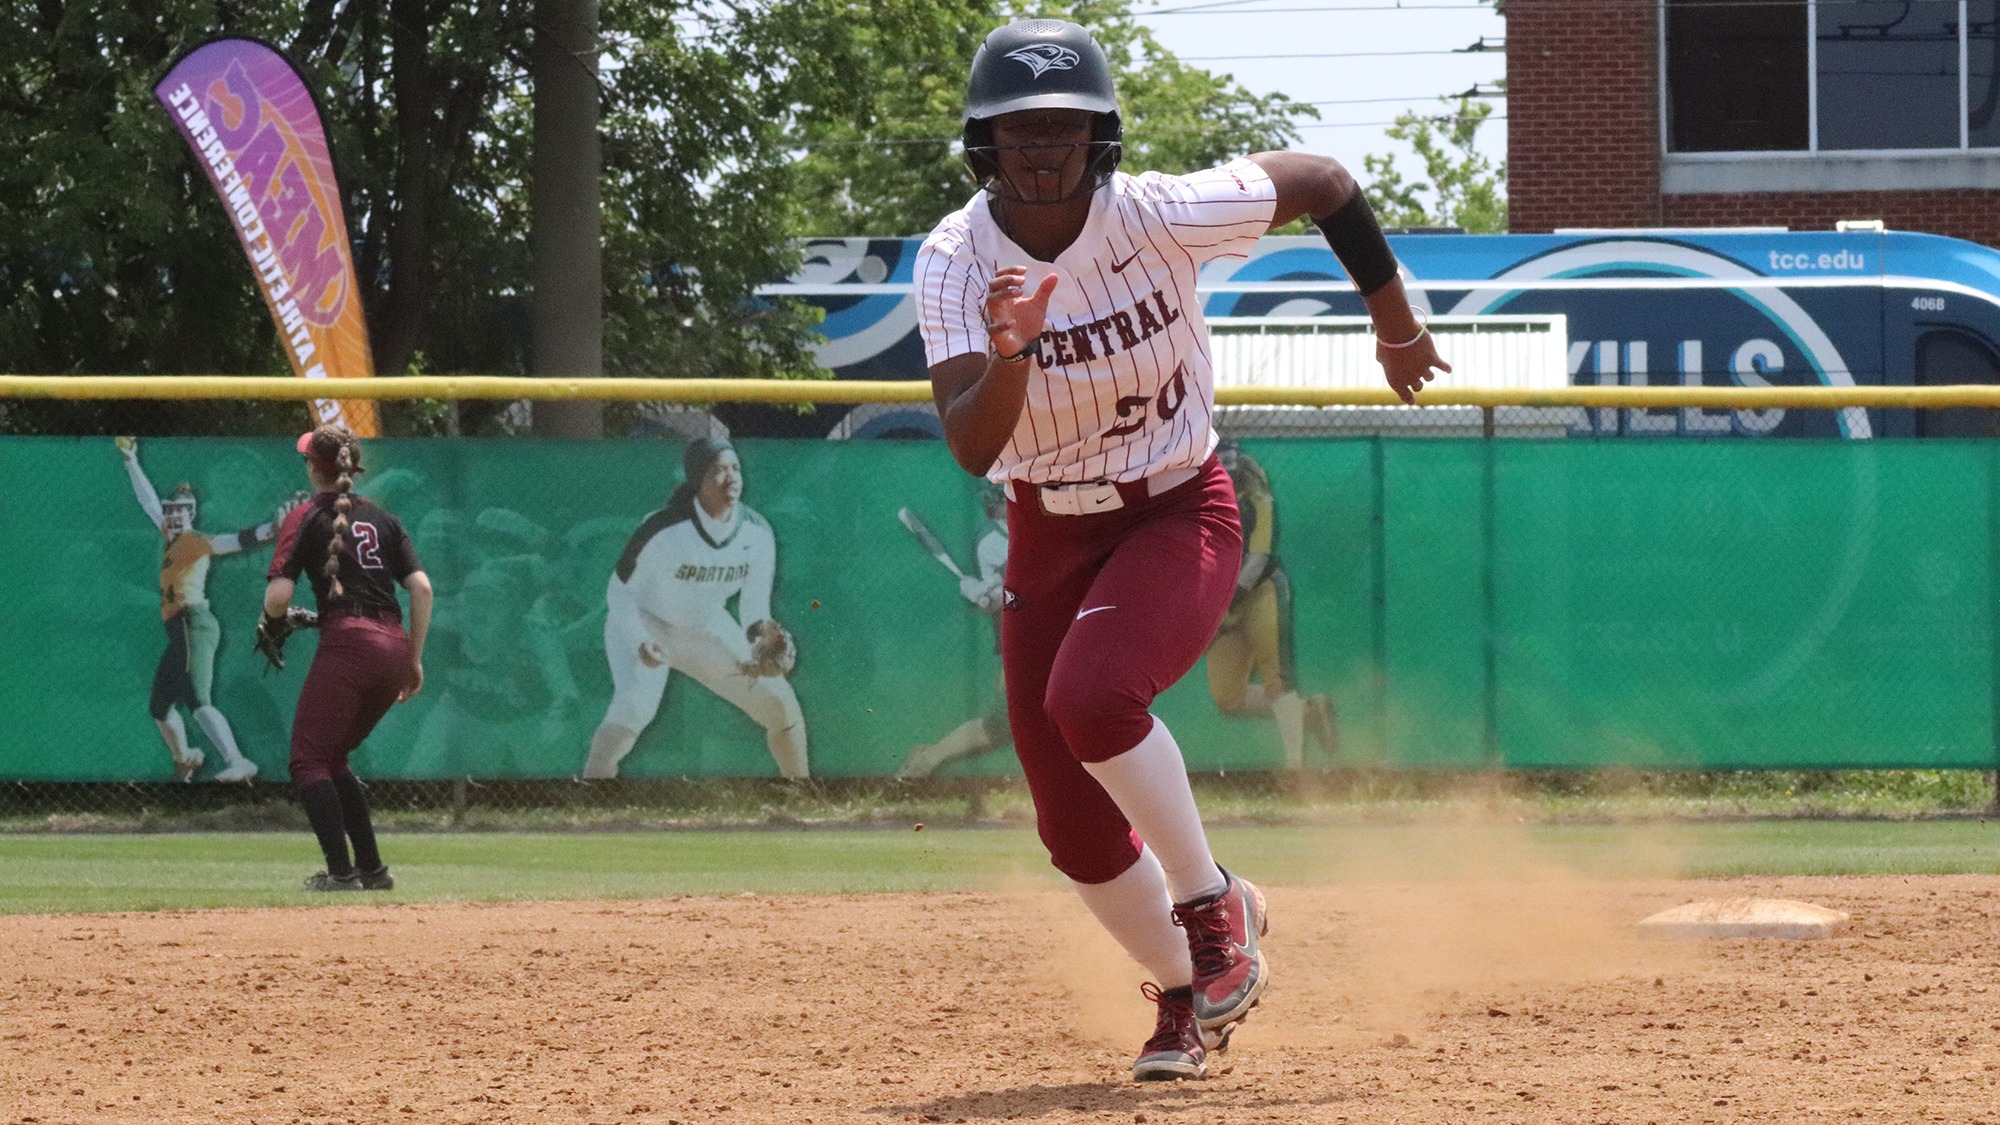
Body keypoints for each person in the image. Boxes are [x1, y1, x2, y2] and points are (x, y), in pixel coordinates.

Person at [914, 18, 1449, 1082]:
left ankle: (1208, 907)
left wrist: (1393, 321)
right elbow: (973, 441)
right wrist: (1013, 349)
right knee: (1068, 822)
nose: (1041, 145)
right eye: (1015, 127)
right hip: (1044, 525)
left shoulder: (1158, 214)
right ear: (983, 142)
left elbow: (1326, 181)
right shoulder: (952, 259)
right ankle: (1183, 997)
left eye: (1065, 124)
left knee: (1094, 699)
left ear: (1100, 135)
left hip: (1175, 506)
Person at [264, 426, 432, 892]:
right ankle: (373, 870)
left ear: (314, 468)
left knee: (307, 760)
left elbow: (278, 596)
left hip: (349, 646)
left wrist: (269, 618)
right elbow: (421, 589)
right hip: (394, 646)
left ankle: (341, 874)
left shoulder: (304, 516)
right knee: (333, 758)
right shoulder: (384, 519)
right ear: (352, 469)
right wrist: (413, 660)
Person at [582, 437, 807, 780]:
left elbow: (753, 606)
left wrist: (763, 632)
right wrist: (640, 640)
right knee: (636, 705)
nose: (730, 476)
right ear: (697, 481)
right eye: (718, 470)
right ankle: (590, 793)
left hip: (704, 626)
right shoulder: (663, 527)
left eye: (735, 468)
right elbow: (619, 593)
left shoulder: (757, 532)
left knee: (780, 704)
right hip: (646, 621)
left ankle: (802, 793)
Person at [115, 435, 282, 783]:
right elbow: (147, 502)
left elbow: (232, 542)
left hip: (194, 623)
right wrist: (131, 461)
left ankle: (238, 760)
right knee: (160, 707)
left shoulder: (192, 541)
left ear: (192, 514)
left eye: (180, 510)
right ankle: (186, 756)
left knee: (198, 700)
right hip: (179, 629)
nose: (172, 515)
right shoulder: (171, 537)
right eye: (170, 510)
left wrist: (271, 530)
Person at [1206, 441, 1336, 769]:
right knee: (1228, 698)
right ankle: (1311, 714)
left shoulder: (1257, 496)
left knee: (1277, 680)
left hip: (1258, 591)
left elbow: (1260, 556)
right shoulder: (1191, 502)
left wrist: (1227, 597)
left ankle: (1297, 771)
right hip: (1220, 600)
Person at [896, 483, 1012, 779]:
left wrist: (997, 595)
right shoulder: (991, 541)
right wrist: (984, 596)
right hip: (1023, 644)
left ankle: (931, 757)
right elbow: (1014, 600)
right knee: (1007, 722)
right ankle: (930, 758)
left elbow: (1034, 590)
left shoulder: (1048, 531)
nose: (995, 506)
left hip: (1063, 635)